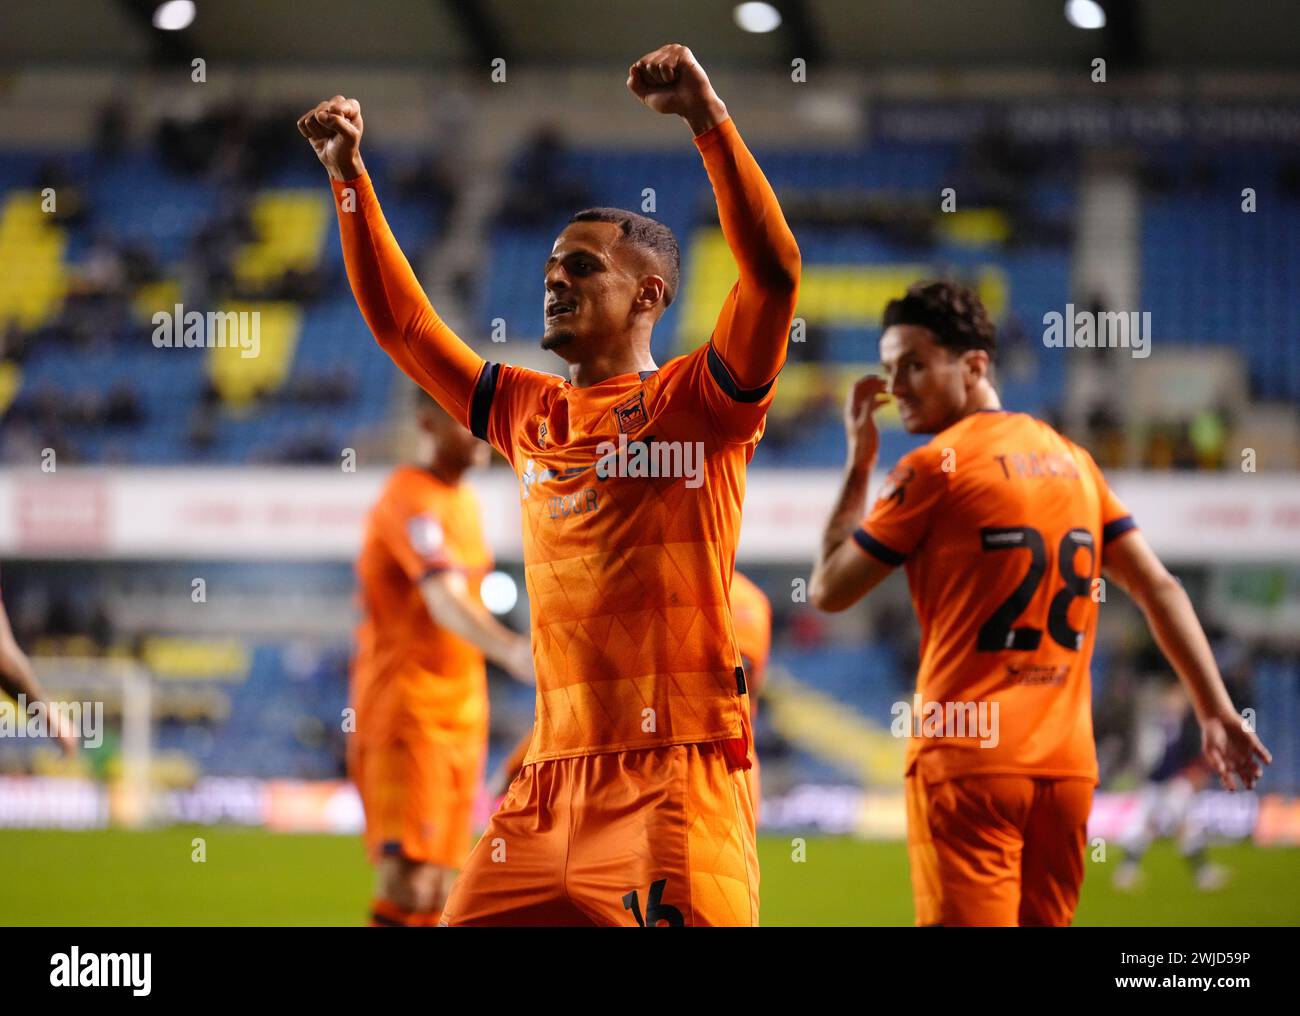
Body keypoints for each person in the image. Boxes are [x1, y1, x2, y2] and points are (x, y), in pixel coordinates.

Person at [299, 42, 799, 925]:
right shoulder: (526, 411)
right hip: (546, 781)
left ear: (649, 295)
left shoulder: (699, 402)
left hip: (673, 780)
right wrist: (349, 178)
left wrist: (707, 122)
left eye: (581, 268)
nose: (555, 281)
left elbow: (774, 274)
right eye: (549, 270)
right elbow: (404, 326)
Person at [808, 280, 1270, 926]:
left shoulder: (932, 467)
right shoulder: (1075, 461)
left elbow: (828, 589)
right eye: (889, 370)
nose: (897, 387)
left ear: (974, 365)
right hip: (1065, 774)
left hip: (968, 764)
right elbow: (1159, 587)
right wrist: (1215, 708)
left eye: (913, 364)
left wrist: (860, 462)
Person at [349, 391, 532, 927]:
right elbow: (442, 598)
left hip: (461, 716)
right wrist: (512, 650)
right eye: (462, 418)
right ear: (428, 422)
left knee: (440, 884)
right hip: (408, 713)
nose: (477, 431)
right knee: (408, 876)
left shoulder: (466, 504)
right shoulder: (408, 497)